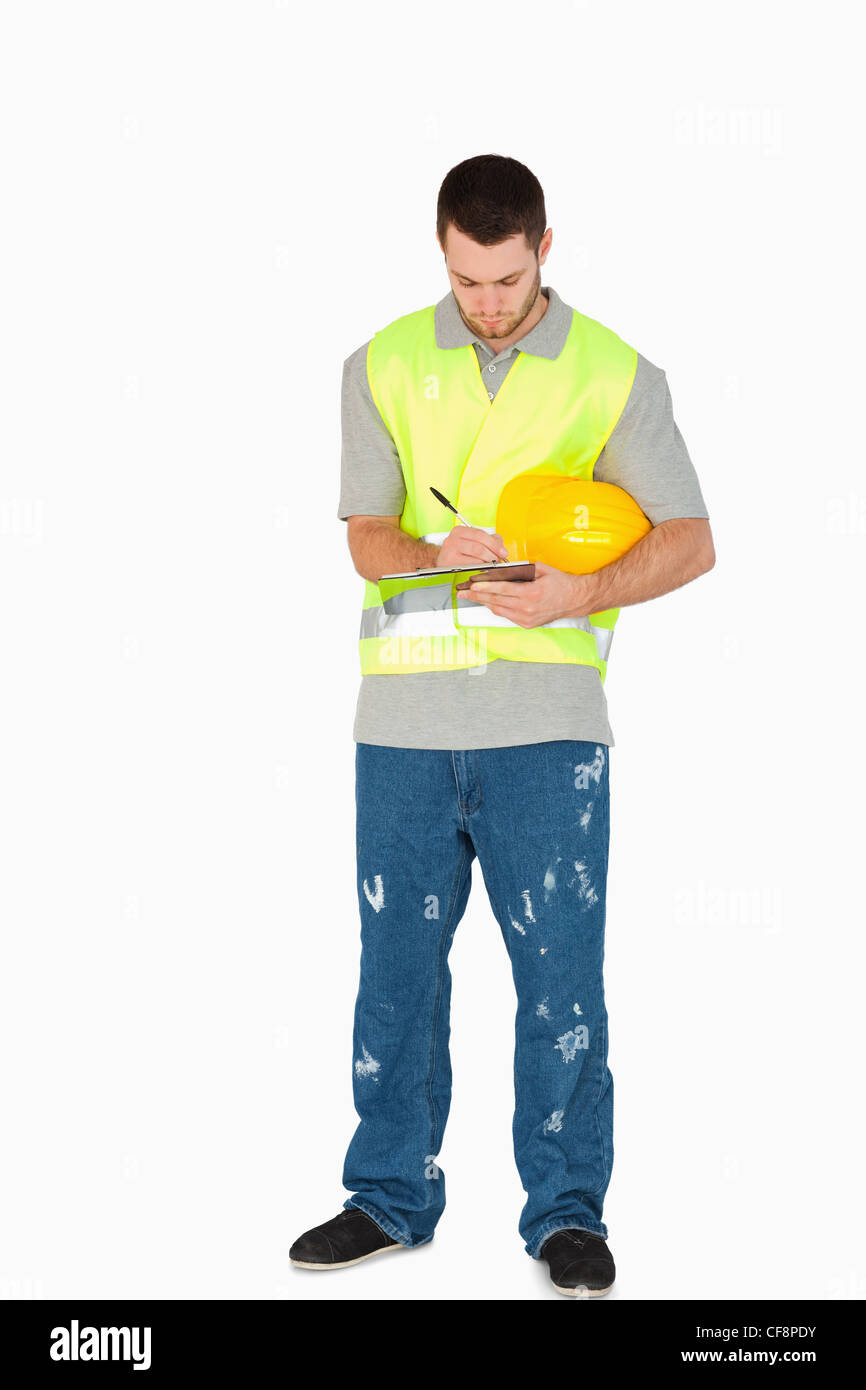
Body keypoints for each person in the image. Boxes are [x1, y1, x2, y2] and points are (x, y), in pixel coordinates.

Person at [290, 153, 714, 1297]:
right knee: (395, 972)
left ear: (543, 251)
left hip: (548, 722)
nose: (487, 301)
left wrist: (577, 591)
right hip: (406, 715)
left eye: (508, 279)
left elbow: (688, 537)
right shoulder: (377, 363)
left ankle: (567, 1214)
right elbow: (363, 537)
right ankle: (385, 1197)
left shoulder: (611, 371)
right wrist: (430, 555)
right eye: (468, 279)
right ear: (443, 252)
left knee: (561, 980)